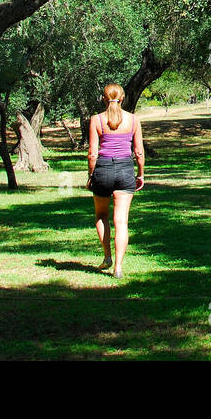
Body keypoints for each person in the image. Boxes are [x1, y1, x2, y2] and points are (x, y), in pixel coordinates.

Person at [87, 83, 143, 278]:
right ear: (123, 98)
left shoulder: (96, 120)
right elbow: (138, 152)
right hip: (126, 170)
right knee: (122, 221)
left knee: (101, 215)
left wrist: (90, 175)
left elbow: (93, 154)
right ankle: (118, 268)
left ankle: (107, 257)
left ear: (104, 98)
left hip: (103, 169)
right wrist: (141, 174)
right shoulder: (133, 120)